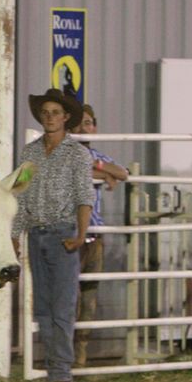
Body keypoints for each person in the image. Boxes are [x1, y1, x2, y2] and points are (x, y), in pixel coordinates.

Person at [12, 89, 95, 382]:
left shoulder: (77, 154)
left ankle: (60, 372)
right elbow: (20, 195)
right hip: (36, 233)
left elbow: (85, 198)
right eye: (45, 113)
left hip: (62, 234)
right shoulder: (29, 153)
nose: (49, 117)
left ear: (66, 117)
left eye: (55, 113)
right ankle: (56, 372)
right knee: (45, 307)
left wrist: (80, 236)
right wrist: (14, 235)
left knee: (61, 306)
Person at [72, 104, 129, 367]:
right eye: (81, 123)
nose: (86, 128)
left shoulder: (96, 154)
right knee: (68, 298)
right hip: (71, 235)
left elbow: (123, 173)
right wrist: (104, 173)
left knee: (89, 300)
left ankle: (79, 359)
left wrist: (101, 166)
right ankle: (64, 357)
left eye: (89, 123)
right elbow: (79, 173)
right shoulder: (66, 153)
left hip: (94, 236)